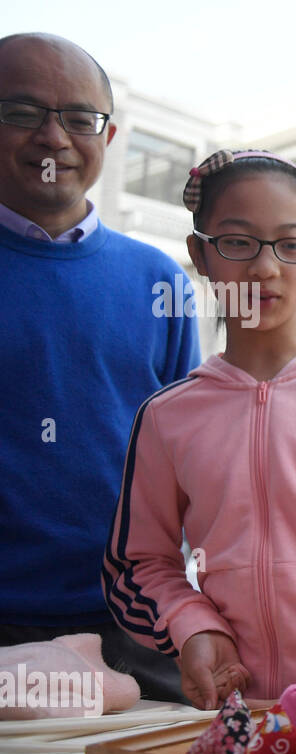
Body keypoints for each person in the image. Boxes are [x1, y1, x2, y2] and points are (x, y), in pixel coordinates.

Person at [103, 150, 296, 710]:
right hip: (229, 716)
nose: (265, 269)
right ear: (200, 253)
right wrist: (193, 625)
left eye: (291, 245)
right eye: (238, 242)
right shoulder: (167, 414)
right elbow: (137, 565)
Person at [0, 33, 200, 702]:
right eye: (23, 111)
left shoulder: (159, 279)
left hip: (138, 628)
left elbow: (187, 459)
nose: (52, 137)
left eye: (79, 118)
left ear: (107, 136)